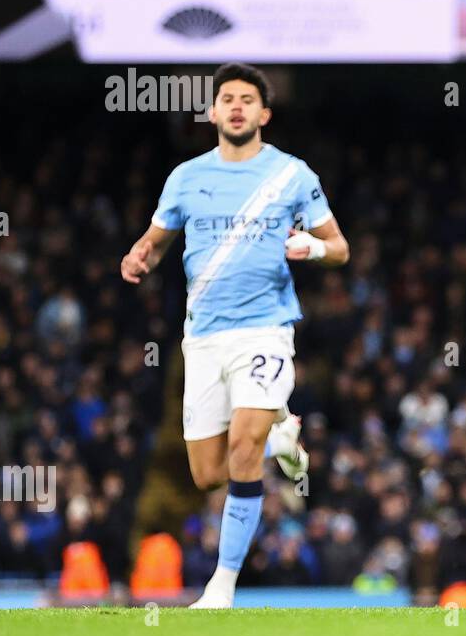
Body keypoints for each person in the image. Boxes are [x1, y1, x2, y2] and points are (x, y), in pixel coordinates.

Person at [120, 63, 349, 608]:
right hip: (202, 339)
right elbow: (155, 239)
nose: (238, 106)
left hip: (264, 331)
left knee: (243, 449)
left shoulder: (291, 175)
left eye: (248, 98)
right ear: (212, 112)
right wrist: (139, 255)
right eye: (227, 98)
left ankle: (221, 587)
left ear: (264, 113)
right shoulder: (185, 177)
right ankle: (282, 432)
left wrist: (312, 249)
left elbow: (339, 247)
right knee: (206, 475)